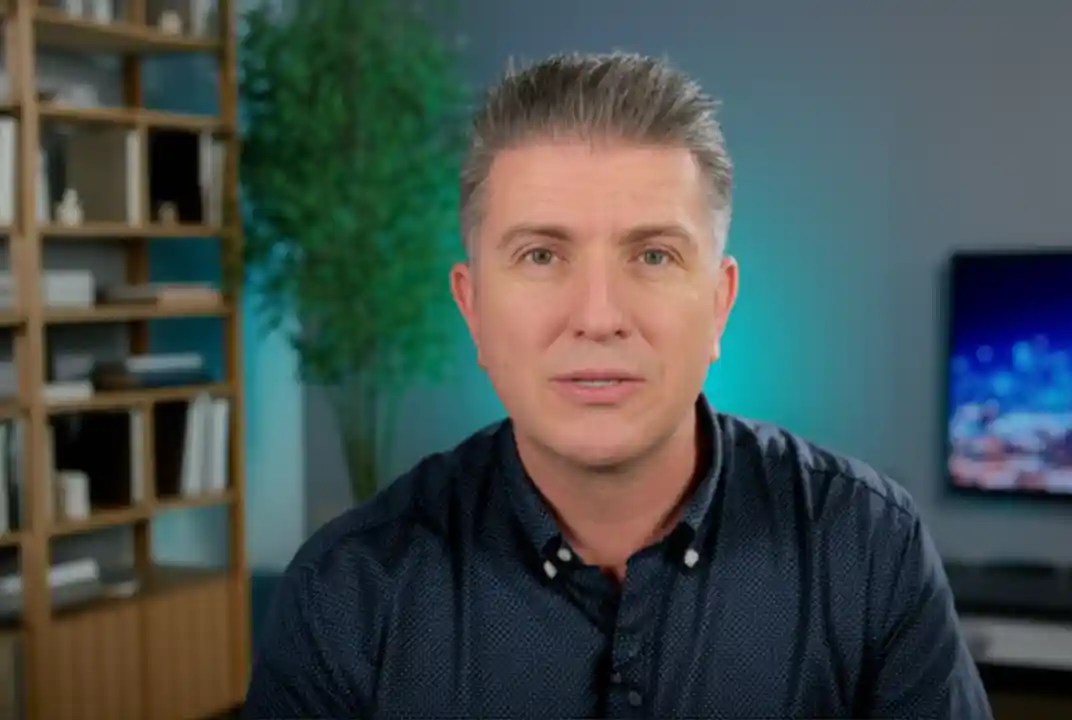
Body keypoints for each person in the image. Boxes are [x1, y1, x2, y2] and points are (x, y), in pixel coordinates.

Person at [243, 51, 992, 719]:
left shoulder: (865, 549)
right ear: (472, 307)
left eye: (655, 256)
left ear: (720, 303)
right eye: (540, 256)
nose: (598, 318)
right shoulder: (347, 591)